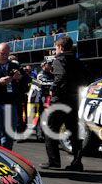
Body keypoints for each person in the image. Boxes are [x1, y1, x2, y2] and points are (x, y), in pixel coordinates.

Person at [42, 36, 88, 171]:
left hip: (59, 99)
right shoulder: (77, 61)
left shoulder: (59, 59)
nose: (55, 50)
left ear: (60, 47)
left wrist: (52, 88)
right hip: (74, 99)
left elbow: (61, 76)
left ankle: (54, 161)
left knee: (50, 129)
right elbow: (86, 78)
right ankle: (77, 161)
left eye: (56, 47)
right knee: (73, 130)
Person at [27, 61, 54, 141]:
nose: (50, 66)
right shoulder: (40, 75)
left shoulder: (51, 74)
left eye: (50, 64)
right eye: (48, 64)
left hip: (50, 98)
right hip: (42, 98)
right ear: (43, 66)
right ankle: (40, 135)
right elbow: (41, 85)